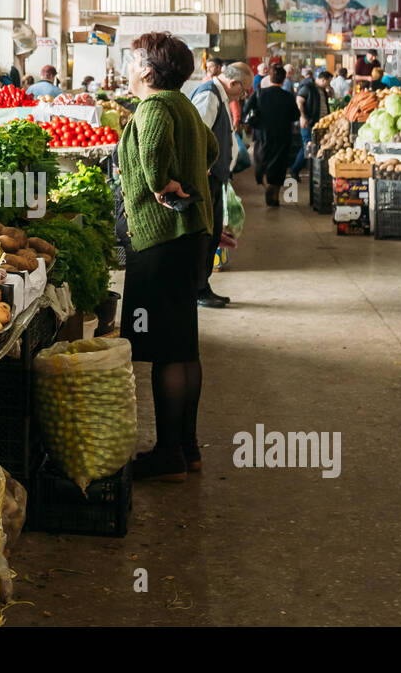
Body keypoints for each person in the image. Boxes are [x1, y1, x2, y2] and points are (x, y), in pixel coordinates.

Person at [117, 32, 216, 481]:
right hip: (192, 236)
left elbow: (153, 152)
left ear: (147, 71)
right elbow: (211, 151)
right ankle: (189, 449)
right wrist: (189, 177)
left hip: (163, 240)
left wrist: (159, 185)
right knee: (183, 345)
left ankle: (168, 456)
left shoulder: (155, 107)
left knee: (163, 351)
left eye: (132, 58)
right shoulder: (186, 106)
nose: (128, 64)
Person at [189, 61, 247, 309]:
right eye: (244, 90)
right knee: (205, 236)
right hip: (206, 179)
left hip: (216, 177)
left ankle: (204, 286)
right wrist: (203, 167)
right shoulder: (209, 95)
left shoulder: (219, 95)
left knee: (212, 235)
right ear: (234, 83)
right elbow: (196, 135)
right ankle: (198, 289)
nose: (244, 96)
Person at [242, 65, 301, 205]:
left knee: (262, 163)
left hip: (262, 135)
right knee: (279, 165)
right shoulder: (287, 96)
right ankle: (274, 192)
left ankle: (267, 186)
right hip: (282, 135)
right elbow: (295, 115)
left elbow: (246, 109)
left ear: (270, 78)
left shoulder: (259, 93)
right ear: (283, 79)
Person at [290, 69, 331, 178]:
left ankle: (303, 170)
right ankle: (295, 170)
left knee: (309, 147)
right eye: (328, 82)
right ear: (323, 80)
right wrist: (302, 117)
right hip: (309, 123)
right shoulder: (308, 87)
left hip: (319, 124)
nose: (329, 85)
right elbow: (299, 101)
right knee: (308, 147)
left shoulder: (322, 90)